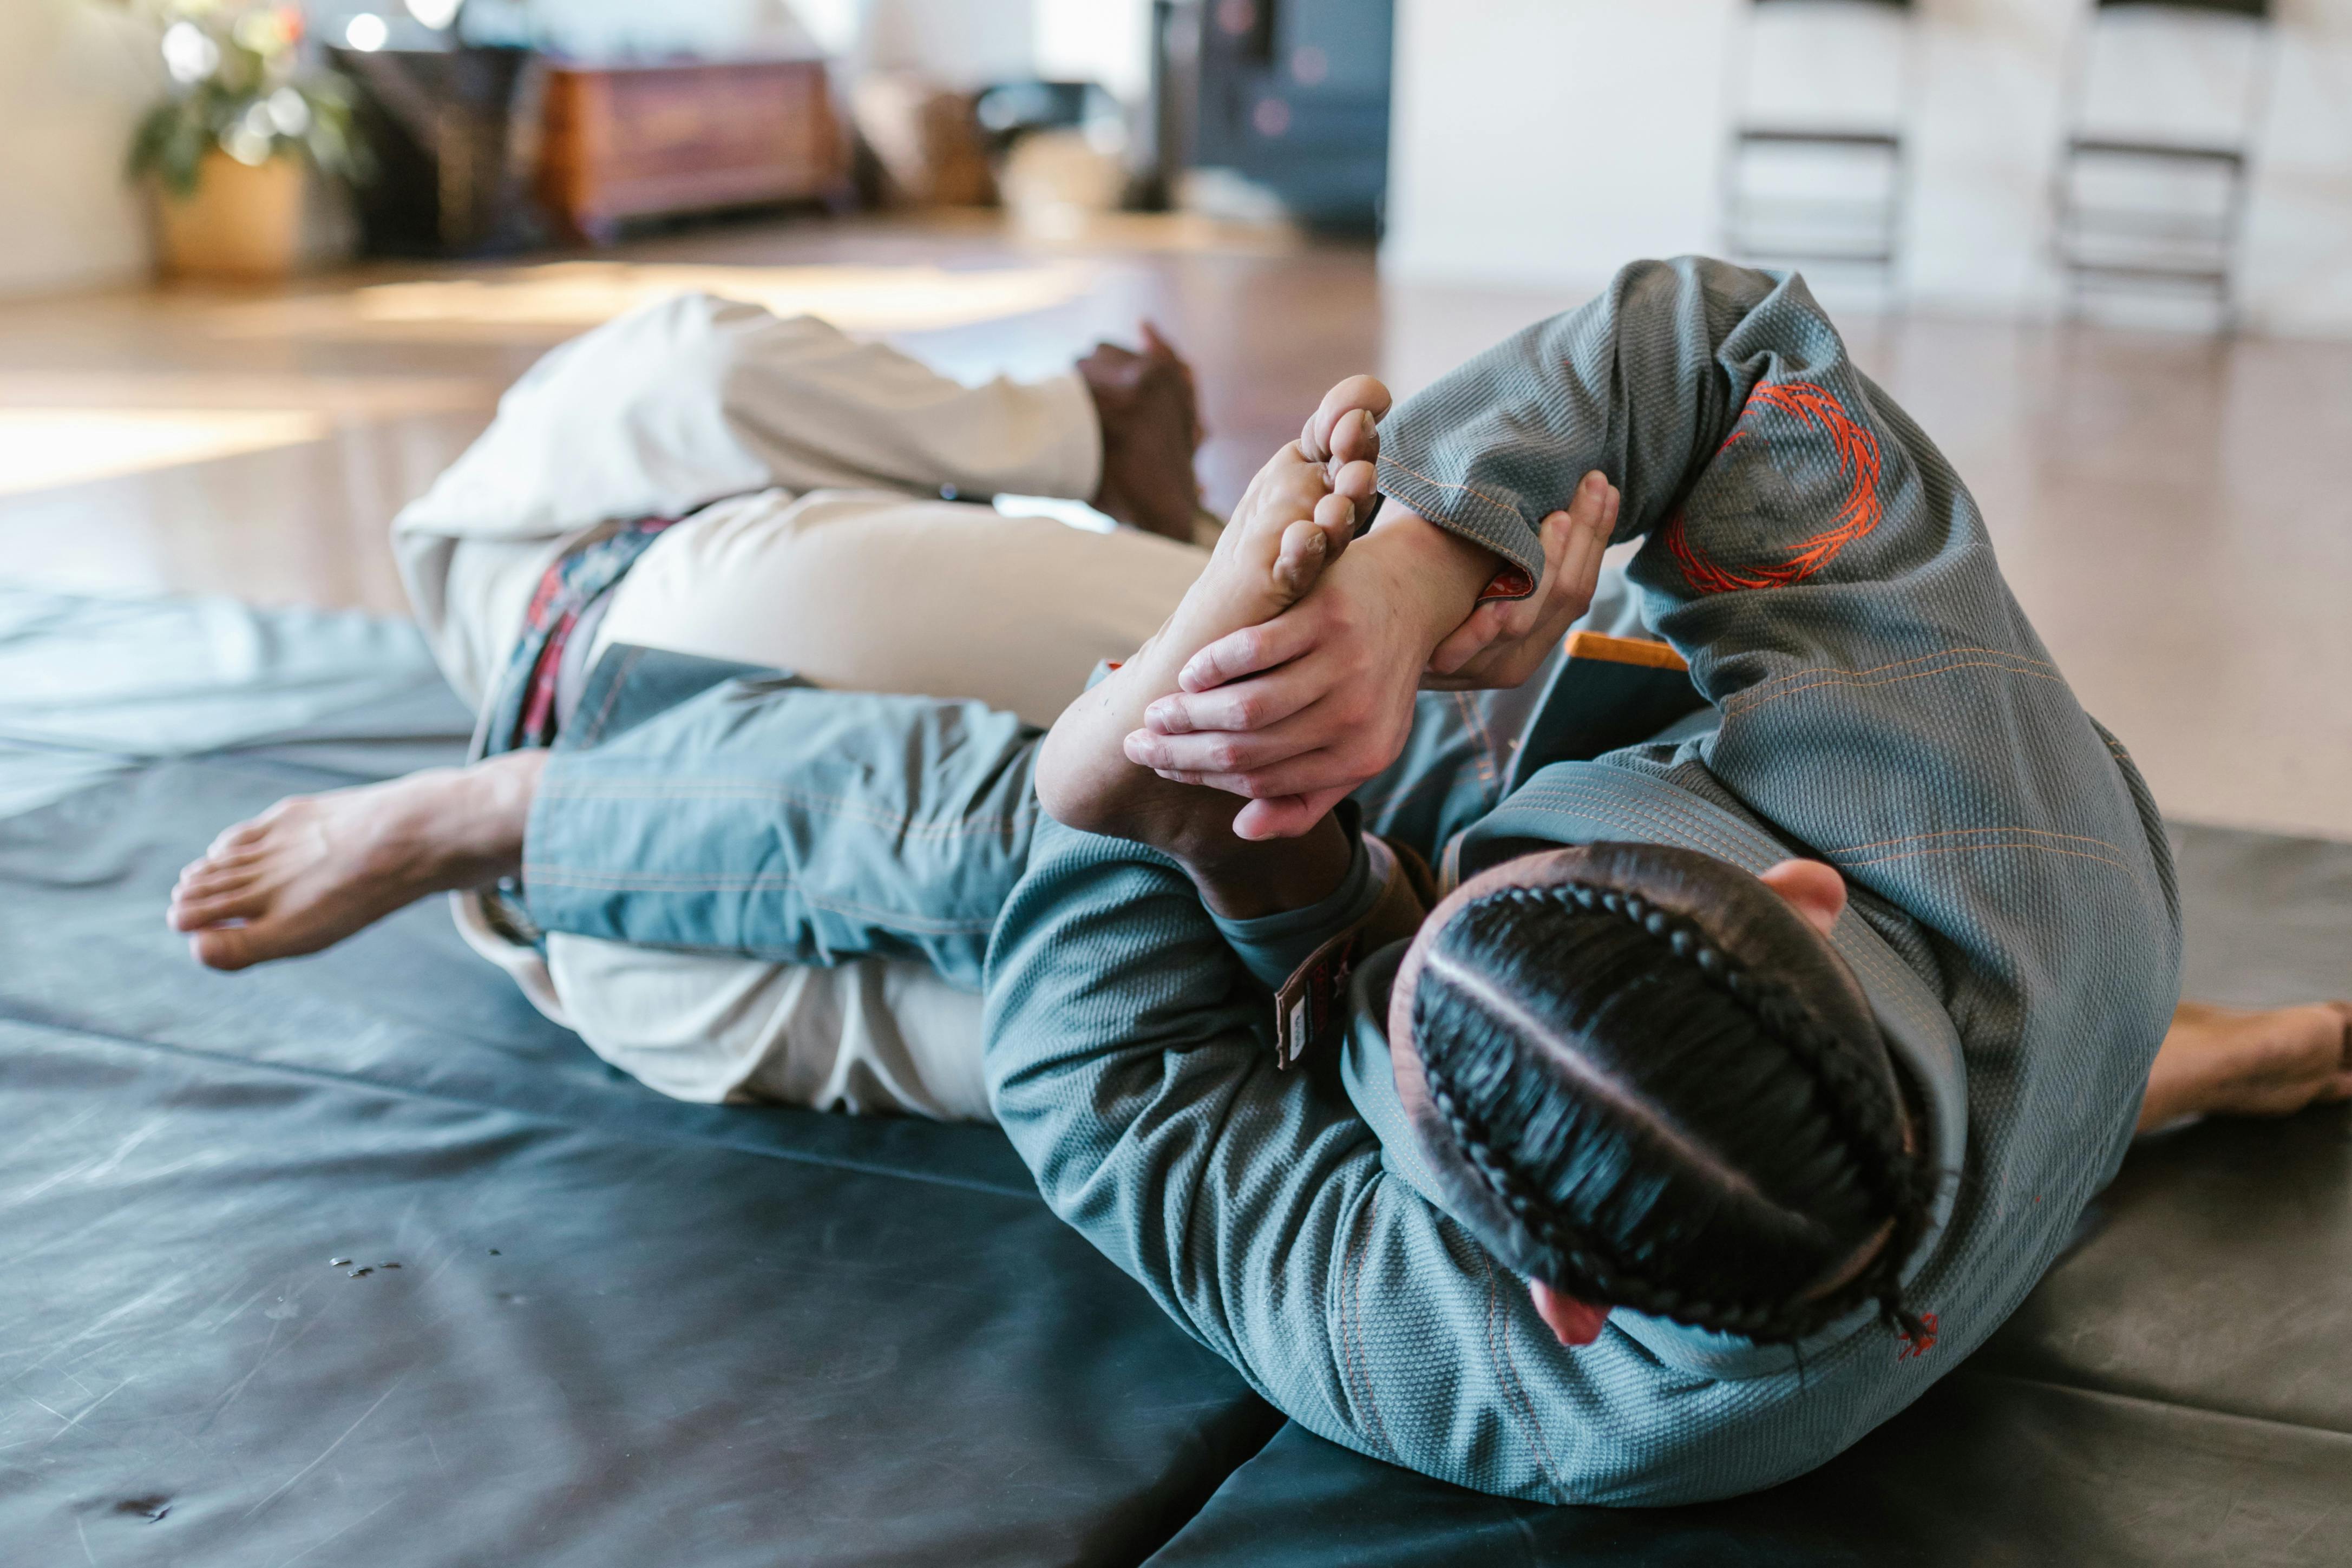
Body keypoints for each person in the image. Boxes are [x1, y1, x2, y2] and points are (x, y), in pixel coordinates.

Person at [168, 260, 2352, 1504]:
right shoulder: (1951, 777)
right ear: (1796, 889)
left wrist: (1201, 647)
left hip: (817, 783)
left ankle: (503, 819)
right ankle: (2109, 1080)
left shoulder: (1514, 1379)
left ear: (1553, 1294)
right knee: (1293, 716)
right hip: (2034, 969)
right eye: (1465, 871)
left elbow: (1065, 969)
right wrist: (1430, 576)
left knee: (889, 866)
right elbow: (1711, 336)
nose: (1412, 847)